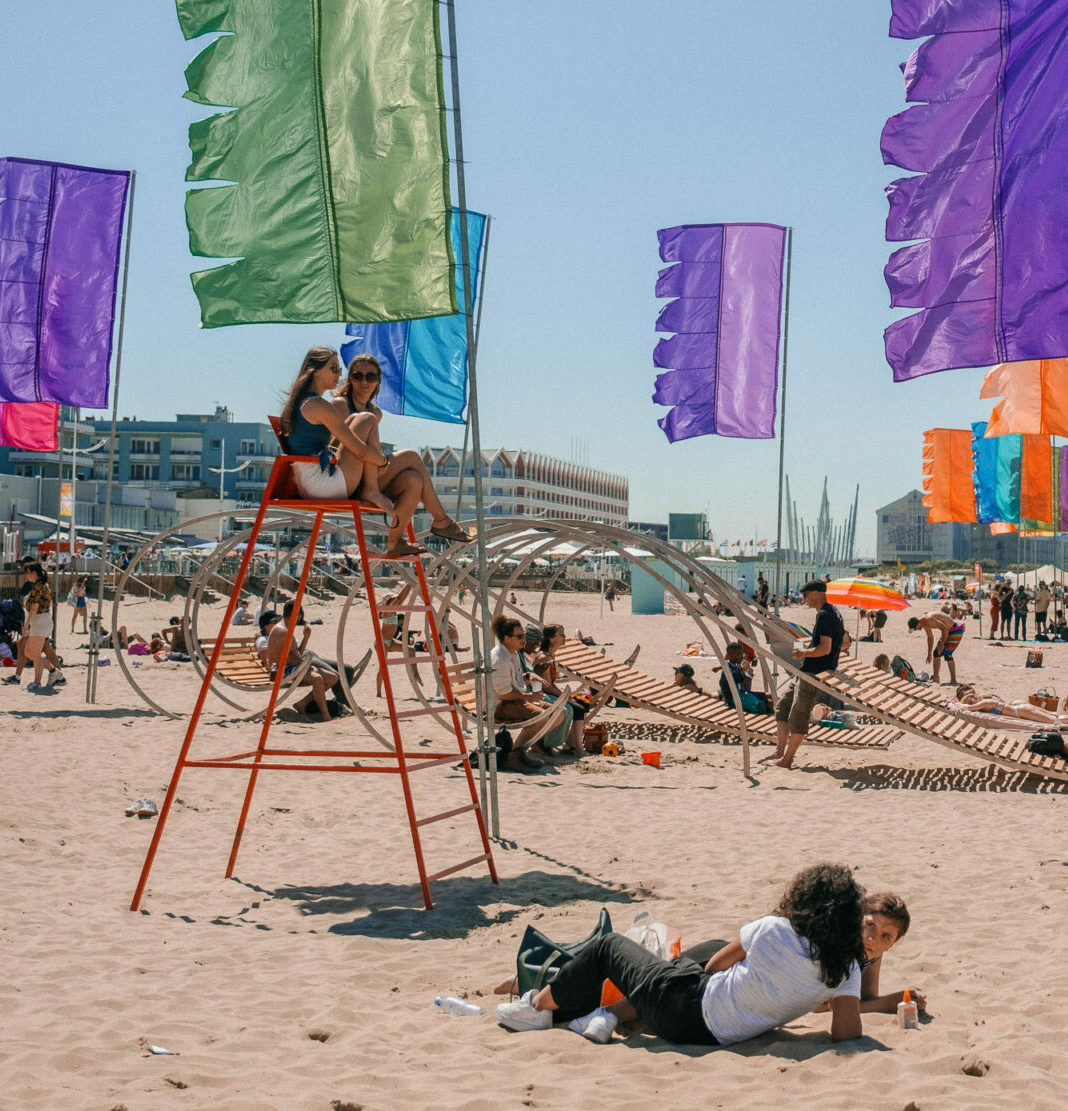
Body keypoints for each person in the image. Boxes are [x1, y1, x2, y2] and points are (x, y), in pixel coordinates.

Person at [495, 862, 866, 1047]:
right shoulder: (845, 968)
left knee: (607, 947)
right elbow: (846, 1033)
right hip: (710, 1035)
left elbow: (717, 966)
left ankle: (536, 1008)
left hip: (680, 1006)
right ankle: (605, 1015)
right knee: (710, 947)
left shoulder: (775, 928)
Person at [281, 346, 469, 559]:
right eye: (334, 369)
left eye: (340, 369)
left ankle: (396, 542)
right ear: (316, 371)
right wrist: (381, 460)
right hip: (323, 483)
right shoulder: (320, 405)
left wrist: (376, 459)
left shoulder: (309, 402)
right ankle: (441, 520)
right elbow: (357, 450)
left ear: (378, 381)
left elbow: (353, 449)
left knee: (413, 479)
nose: (339, 374)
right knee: (398, 446)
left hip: (322, 478)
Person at [761, 580, 845, 769]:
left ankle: (787, 759)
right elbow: (844, 641)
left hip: (814, 672)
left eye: (806, 595)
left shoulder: (825, 615)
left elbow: (825, 648)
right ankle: (779, 752)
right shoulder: (833, 612)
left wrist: (804, 653)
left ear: (816, 592)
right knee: (782, 707)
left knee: (797, 717)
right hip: (807, 670)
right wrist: (808, 651)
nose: (805, 600)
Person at [490, 615, 554, 770]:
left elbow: (515, 679)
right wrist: (528, 696)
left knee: (554, 712)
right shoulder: (500, 658)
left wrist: (528, 677)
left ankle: (518, 751)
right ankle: (513, 755)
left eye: (523, 635)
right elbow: (504, 693)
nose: (523, 639)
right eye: (519, 636)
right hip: (499, 705)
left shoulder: (512, 653)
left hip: (513, 700)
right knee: (540, 716)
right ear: (506, 638)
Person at [266, 600, 338, 720]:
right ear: (296, 614)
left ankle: (302, 704)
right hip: (279, 670)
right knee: (318, 679)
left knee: (332, 678)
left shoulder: (286, 628)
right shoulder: (282, 630)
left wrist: (306, 638)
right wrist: (305, 666)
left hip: (289, 666)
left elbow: (295, 654)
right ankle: (326, 716)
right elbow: (292, 657)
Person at [531, 625, 586, 756]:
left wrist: (565, 695)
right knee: (577, 708)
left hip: (547, 692)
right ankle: (576, 747)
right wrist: (564, 696)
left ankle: (571, 744)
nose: (564, 637)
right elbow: (546, 686)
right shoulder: (544, 658)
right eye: (561, 634)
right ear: (551, 639)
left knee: (582, 705)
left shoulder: (549, 656)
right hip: (541, 695)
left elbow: (550, 684)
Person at [15, 562, 62, 692]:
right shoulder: (43, 585)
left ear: (34, 573)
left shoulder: (38, 586)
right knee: (30, 653)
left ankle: (44, 678)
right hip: (43, 621)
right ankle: (51, 673)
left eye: (27, 572)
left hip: (39, 621)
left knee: (32, 653)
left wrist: (26, 625)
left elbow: (34, 608)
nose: (26, 575)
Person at [954, 683, 1067, 725]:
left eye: (971, 700)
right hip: (1022, 709)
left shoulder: (984, 702)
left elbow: (969, 707)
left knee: (1055, 721)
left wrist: (959, 703)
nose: (972, 702)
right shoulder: (984, 702)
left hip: (1022, 711)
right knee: (1055, 716)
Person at [907, 610, 963, 685]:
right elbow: (930, 638)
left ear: (917, 624)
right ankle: (936, 678)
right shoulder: (924, 623)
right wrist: (929, 653)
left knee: (947, 653)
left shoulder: (928, 620)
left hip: (955, 629)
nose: (917, 630)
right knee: (936, 653)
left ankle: (953, 680)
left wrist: (942, 643)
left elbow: (944, 629)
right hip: (949, 630)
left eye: (915, 629)